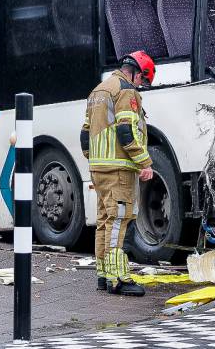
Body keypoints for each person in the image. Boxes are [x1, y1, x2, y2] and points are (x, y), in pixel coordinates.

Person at [80, 51, 157, 297]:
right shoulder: (126, 90)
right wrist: (144, 162)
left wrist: (94, 159)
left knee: (104, 220)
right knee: (118, 221)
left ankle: (103, 275)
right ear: (135, 72)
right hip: (119, 169)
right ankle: (117, 280)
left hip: (99, 168)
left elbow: (85, 134)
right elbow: (126, 131)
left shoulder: (97, 91)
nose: (141, 85)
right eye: (143, 80)